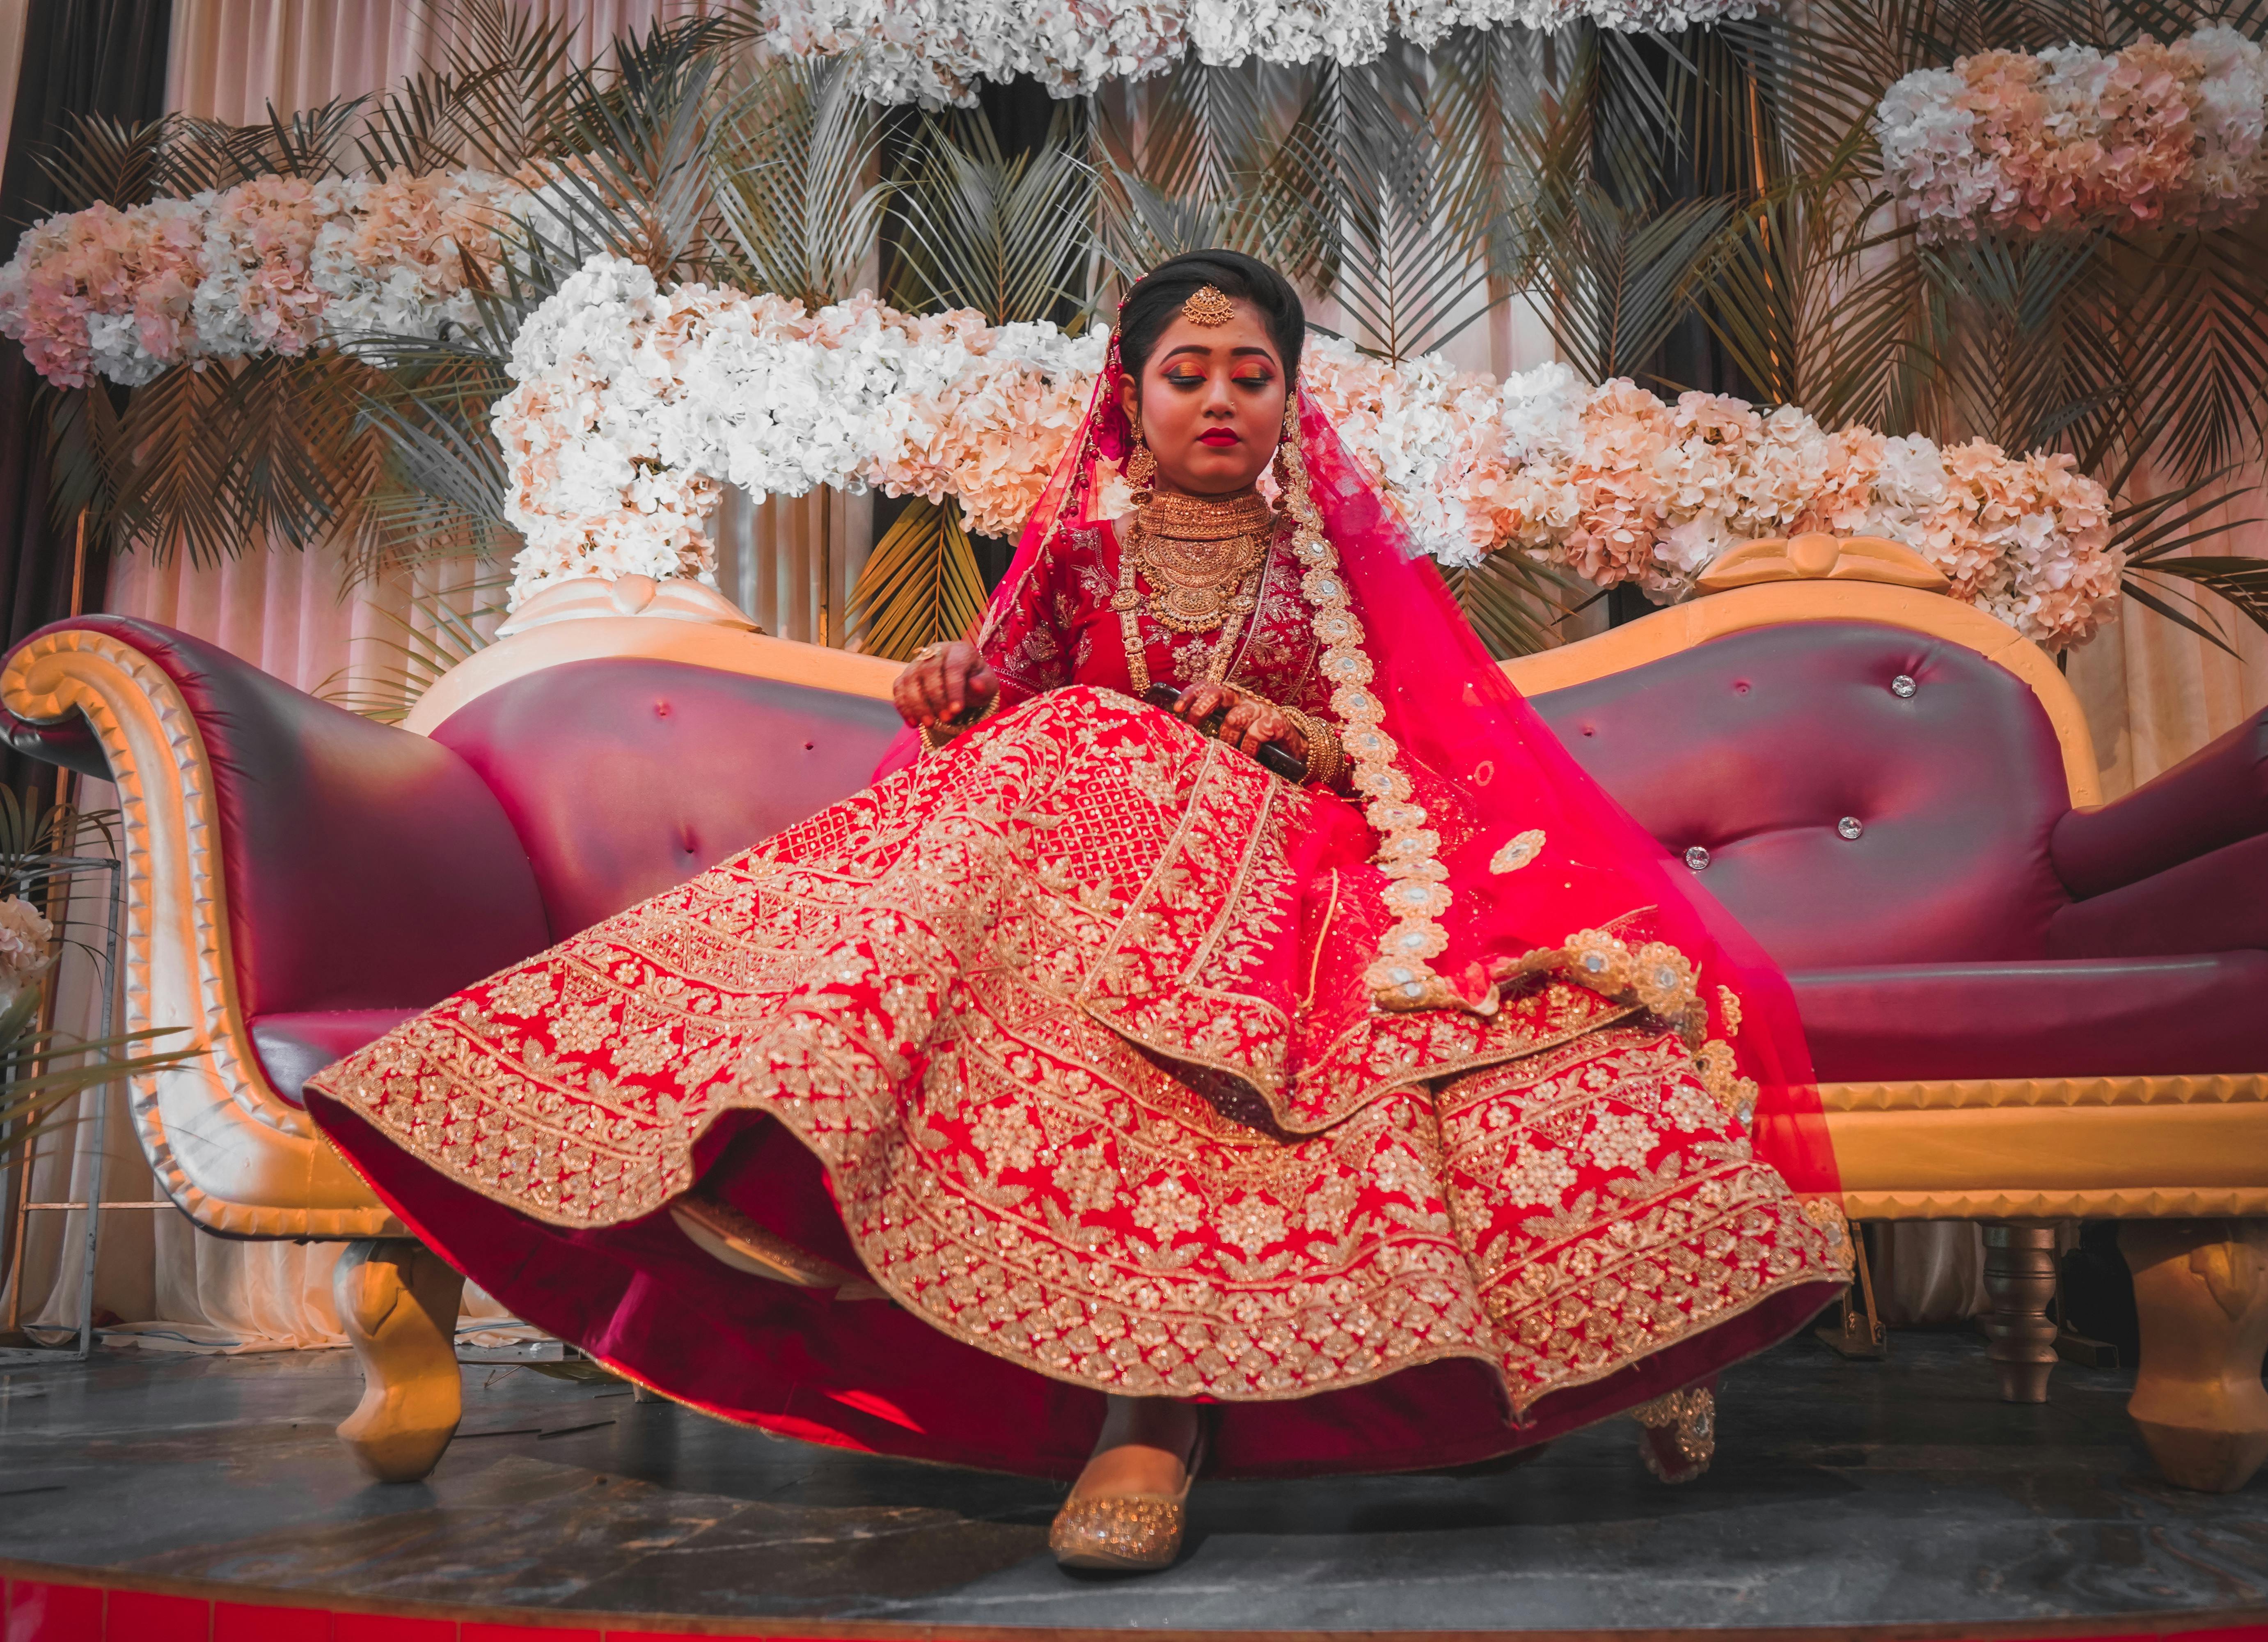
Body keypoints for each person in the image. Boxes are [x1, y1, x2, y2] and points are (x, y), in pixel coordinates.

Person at [306, 250, 1851, 1576]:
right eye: (1190, 372)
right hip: (1078, 844)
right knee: (1038, 776)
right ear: (1133, 395)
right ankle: (757, 1131)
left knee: (1193, 922)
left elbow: (1402, 754)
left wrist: (1287, 736)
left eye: (1255, 373)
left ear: (1290, 404)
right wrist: (952, 691)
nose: (1223, 399)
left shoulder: (1337, 568)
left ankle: (1150, 1413)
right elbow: (1004, 714)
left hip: (1274, 871)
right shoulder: (1077, 551)